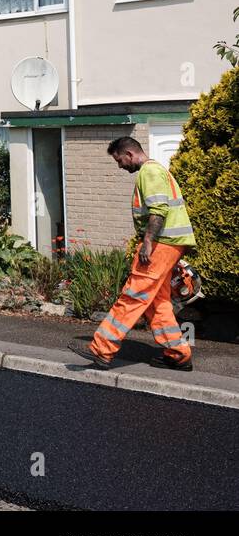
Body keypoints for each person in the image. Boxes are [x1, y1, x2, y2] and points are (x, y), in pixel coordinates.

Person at [69, 137, 196, 371]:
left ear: (129, 153)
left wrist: (148, 241)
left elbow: (159, 210)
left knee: (133, 295)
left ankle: (102, 349)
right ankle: (178, 353)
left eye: (119, 160)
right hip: (170, 243)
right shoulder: (156, 171)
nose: (119, 166)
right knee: (156, 302)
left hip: (160, 244)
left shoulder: (149, 172)